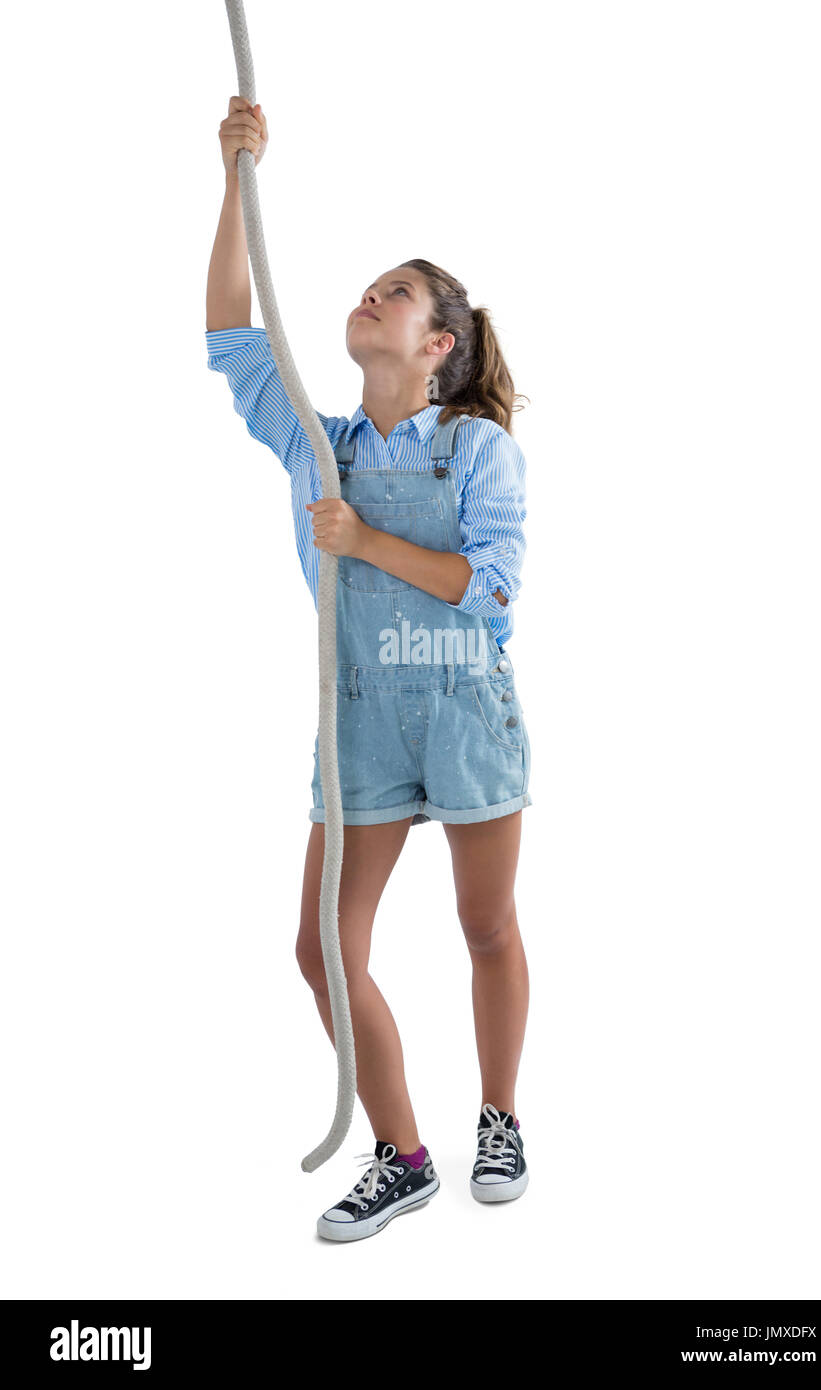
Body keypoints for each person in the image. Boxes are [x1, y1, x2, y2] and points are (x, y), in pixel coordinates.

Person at [205, 96, 532, 1242]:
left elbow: (489, 592)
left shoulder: (477, 447)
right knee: (321, 953)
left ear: (436, 343)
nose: (367, 296)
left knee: (484, 927)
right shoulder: (314, 436)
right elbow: (227, 334)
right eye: (368, 285)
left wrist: (367, 543)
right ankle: (400, 1154)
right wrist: (234, 179)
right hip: (356, 723)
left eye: (392, 292)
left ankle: (499, 1114)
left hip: (460, 708)